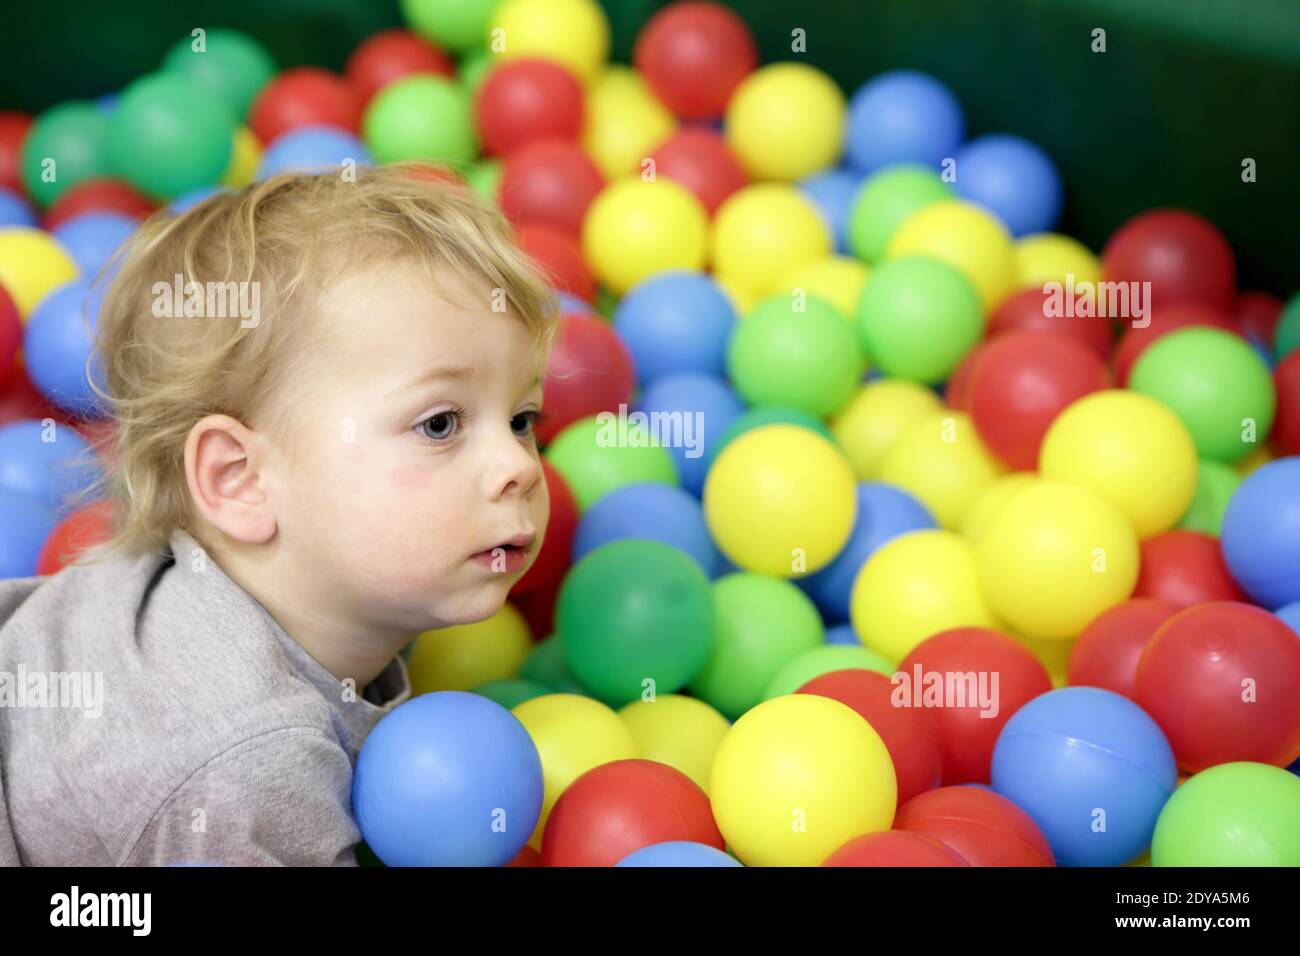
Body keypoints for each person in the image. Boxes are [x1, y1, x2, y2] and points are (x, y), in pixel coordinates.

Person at [0, 166, 558, 865]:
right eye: (441, 423)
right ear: (240, 481)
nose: (521, 466)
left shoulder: (291, 591)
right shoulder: (243, 769)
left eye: (522, 418)